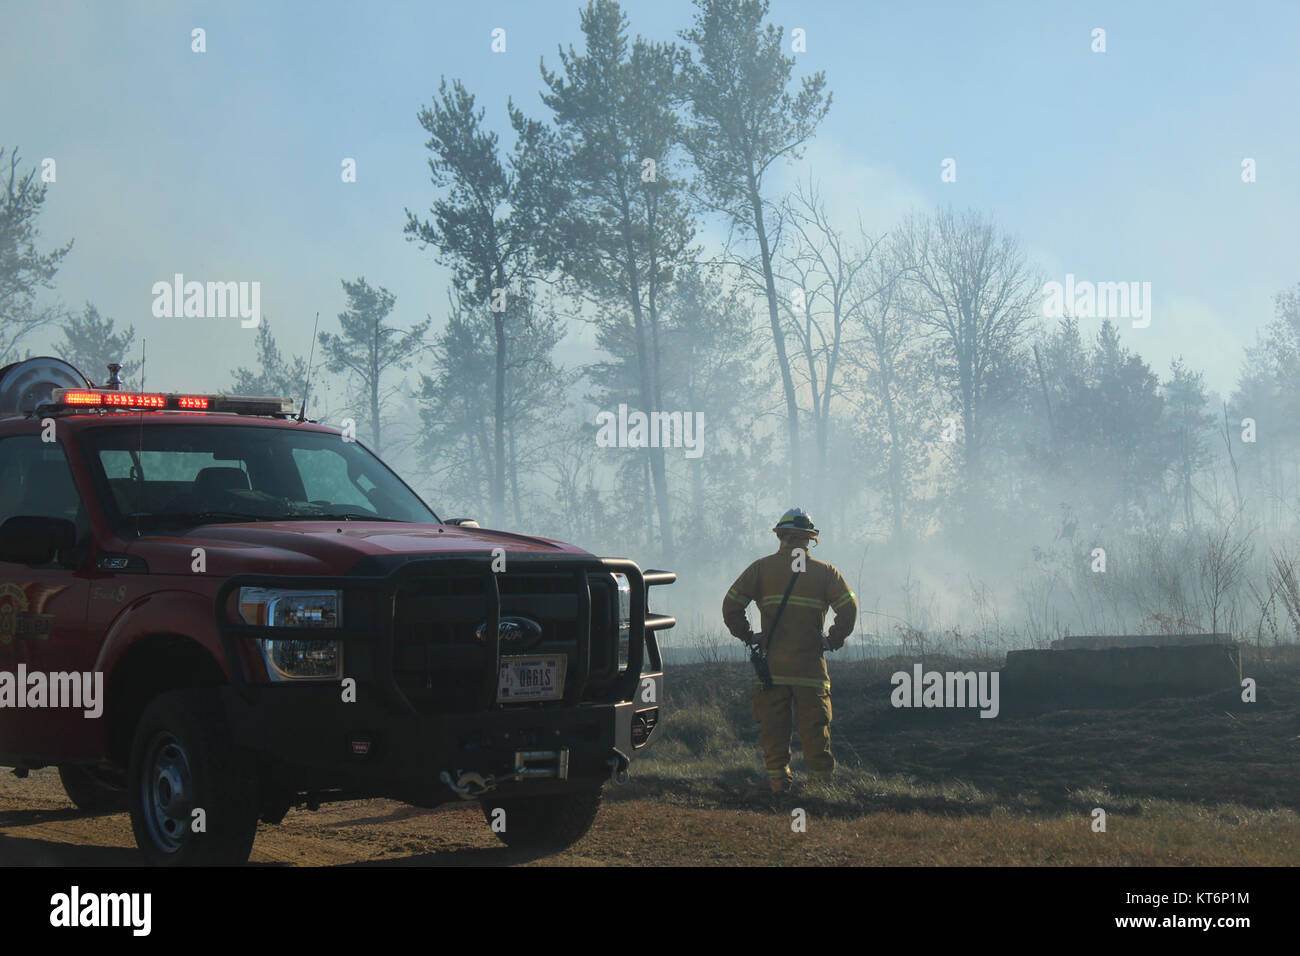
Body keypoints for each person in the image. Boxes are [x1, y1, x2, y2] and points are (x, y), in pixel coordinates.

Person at [722, 508, 857, 793]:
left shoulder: (761, 569)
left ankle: (778, 787)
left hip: (773, 671)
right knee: (816, 733)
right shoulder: (826, 573)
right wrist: (832, 640)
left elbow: (731, 605)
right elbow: (849, 607)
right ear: (810, 539)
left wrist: (748, 635)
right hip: (811, 671)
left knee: (774, 733)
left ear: (780, 535)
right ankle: (820, 791)